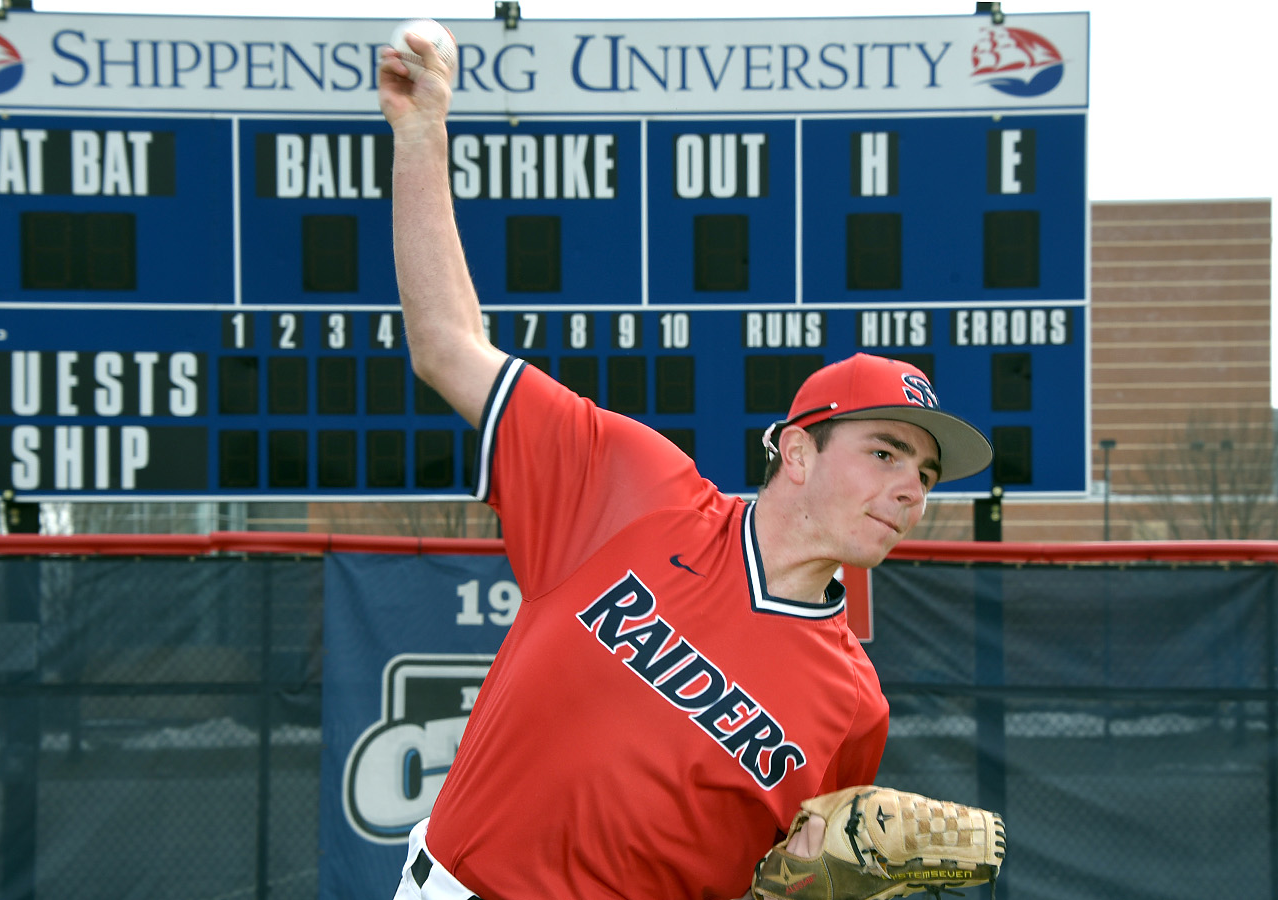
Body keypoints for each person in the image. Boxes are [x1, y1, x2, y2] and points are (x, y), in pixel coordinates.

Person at [379, 31, 993, 900]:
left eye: (926, 475)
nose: (910, 489)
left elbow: (785, 879)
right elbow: (447, 346)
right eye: (886, 452)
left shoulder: (856, 706)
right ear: (798, 450)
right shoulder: (634, 488)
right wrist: (421, 132)